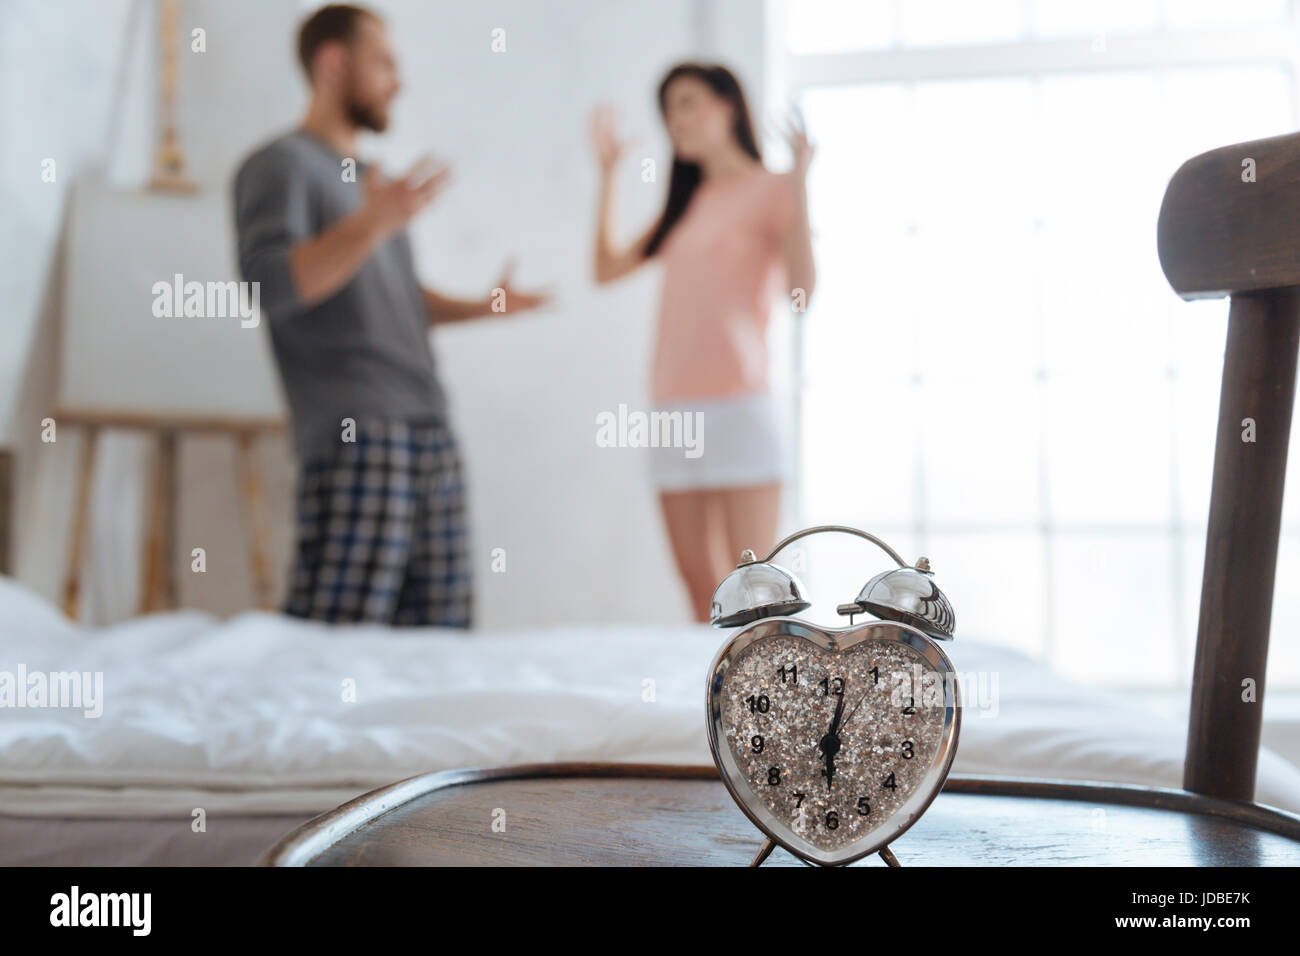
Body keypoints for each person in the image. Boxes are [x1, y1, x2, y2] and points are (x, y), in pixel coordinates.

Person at [233, 3, 547, 627]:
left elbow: (398, 295)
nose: (397, 82)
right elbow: (272, 285)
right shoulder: (282, 165)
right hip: (359, 435)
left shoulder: (374, 183)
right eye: (383, 64)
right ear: (333, 62)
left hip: (428, 423)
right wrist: (374, 222)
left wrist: (484, 308)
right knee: (337, 635)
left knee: (439, 639)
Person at [590, 63, 816, 622]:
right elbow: (606, 268)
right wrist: (609, 174)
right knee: (700, 591)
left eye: (688, 102)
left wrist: (800, 186)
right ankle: (715, 703)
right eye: (668, 110)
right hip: (673, 408)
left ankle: (762, 703)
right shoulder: (685, 202)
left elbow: (801, 292)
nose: (675, 120)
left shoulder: (772, 189)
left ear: (728, 107)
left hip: (739, 407)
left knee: (754, 585)